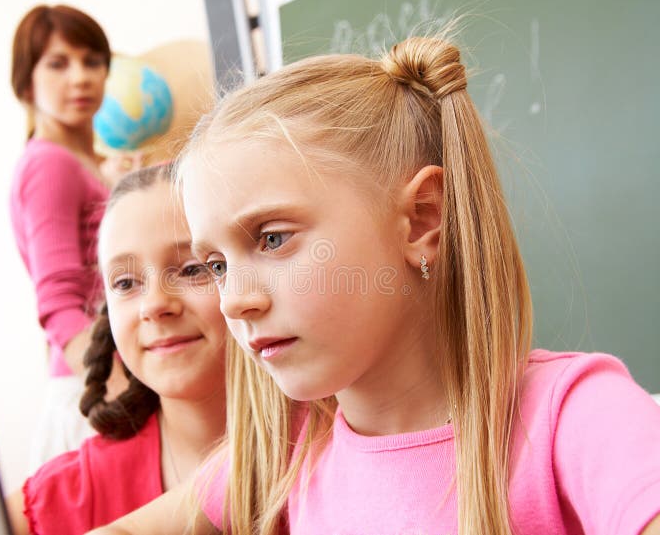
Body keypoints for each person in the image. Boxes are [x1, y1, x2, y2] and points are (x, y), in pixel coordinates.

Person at [88, 35, 660, 535]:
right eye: (216, 265)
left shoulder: (574, 416)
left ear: (422, 219)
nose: (234, 300)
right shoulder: (287, 456)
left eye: (272, 238)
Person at [6, 164, 227, 535]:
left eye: (191, 270)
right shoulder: (73, 492)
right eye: (125, 283)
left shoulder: (322, 448)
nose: (154, 305)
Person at [9, 4, 139, 467]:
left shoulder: (90, 163)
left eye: (92, 61)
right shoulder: (49, 164)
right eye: (58, 64)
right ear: (27, 82)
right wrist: (119, 392)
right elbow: (59, 303)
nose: (81, 77)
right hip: (96, 391)